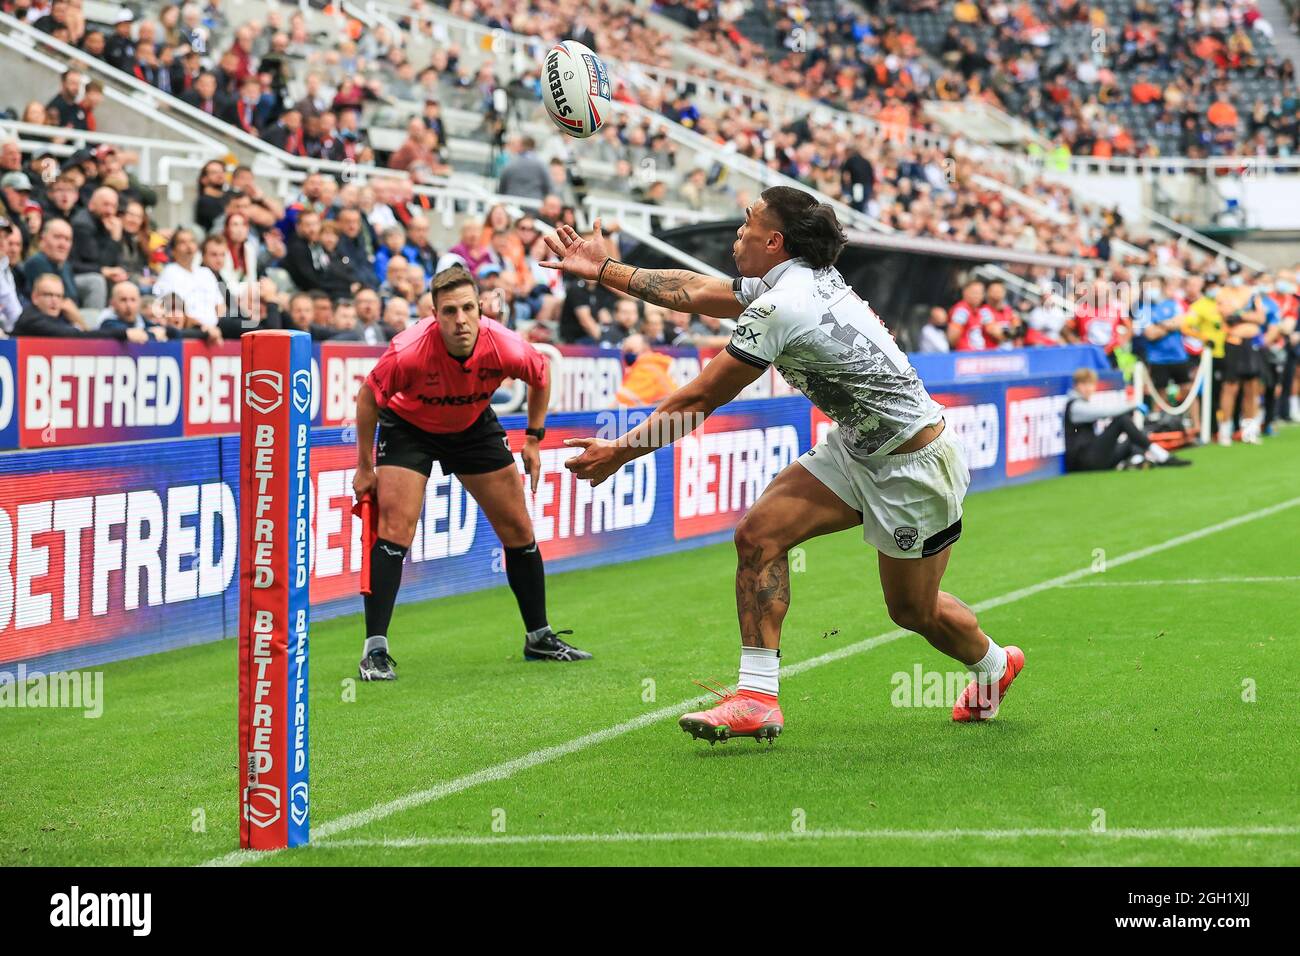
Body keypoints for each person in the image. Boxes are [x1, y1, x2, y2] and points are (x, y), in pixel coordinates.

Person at [546, 186, 1024, 742]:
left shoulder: (782, 304)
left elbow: (700, 400)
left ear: (773, 241)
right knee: (758, 536)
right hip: (858, 446)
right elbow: (697, 289)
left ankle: (993, 665)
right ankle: (756, 697)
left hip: (914, 468)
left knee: (913, 612)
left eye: (747, 223)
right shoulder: (789, 281)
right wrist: (604, 269)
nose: (737, 233)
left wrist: (621, 451)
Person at [351, 265, 591, 680]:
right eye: (448, 311)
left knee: (518, 530)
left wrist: (533, 437)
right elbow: (369, 397)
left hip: (472, 425)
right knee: (394, 531)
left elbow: (540, 374)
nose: (459, 320)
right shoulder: (408, 349)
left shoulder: (504, 345)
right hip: (410, 429)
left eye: (467, 309)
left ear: (481, 309)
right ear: (433, 313)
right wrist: (363, 465)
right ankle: (375, 650)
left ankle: (539, 636)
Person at [1064, 368, 1191, 471]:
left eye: (1090, 384)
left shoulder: (1082, 403)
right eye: (1084, 384)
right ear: (1076, 386)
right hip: (1083, 462)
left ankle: (1138, 460)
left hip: (1093, 458)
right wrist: (1133, 405)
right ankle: (1162, 457)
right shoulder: (1075, 406)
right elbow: (1105, 412)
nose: (1088, 388)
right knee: (1122, 420)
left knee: (1135, 438)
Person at [14, 273, 148, 341]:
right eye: (48, 295)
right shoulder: (31, 319)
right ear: (35, 297)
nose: (54, 301)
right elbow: (77, 336)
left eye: (59, 296)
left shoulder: (61, 316)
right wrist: (124, 334)